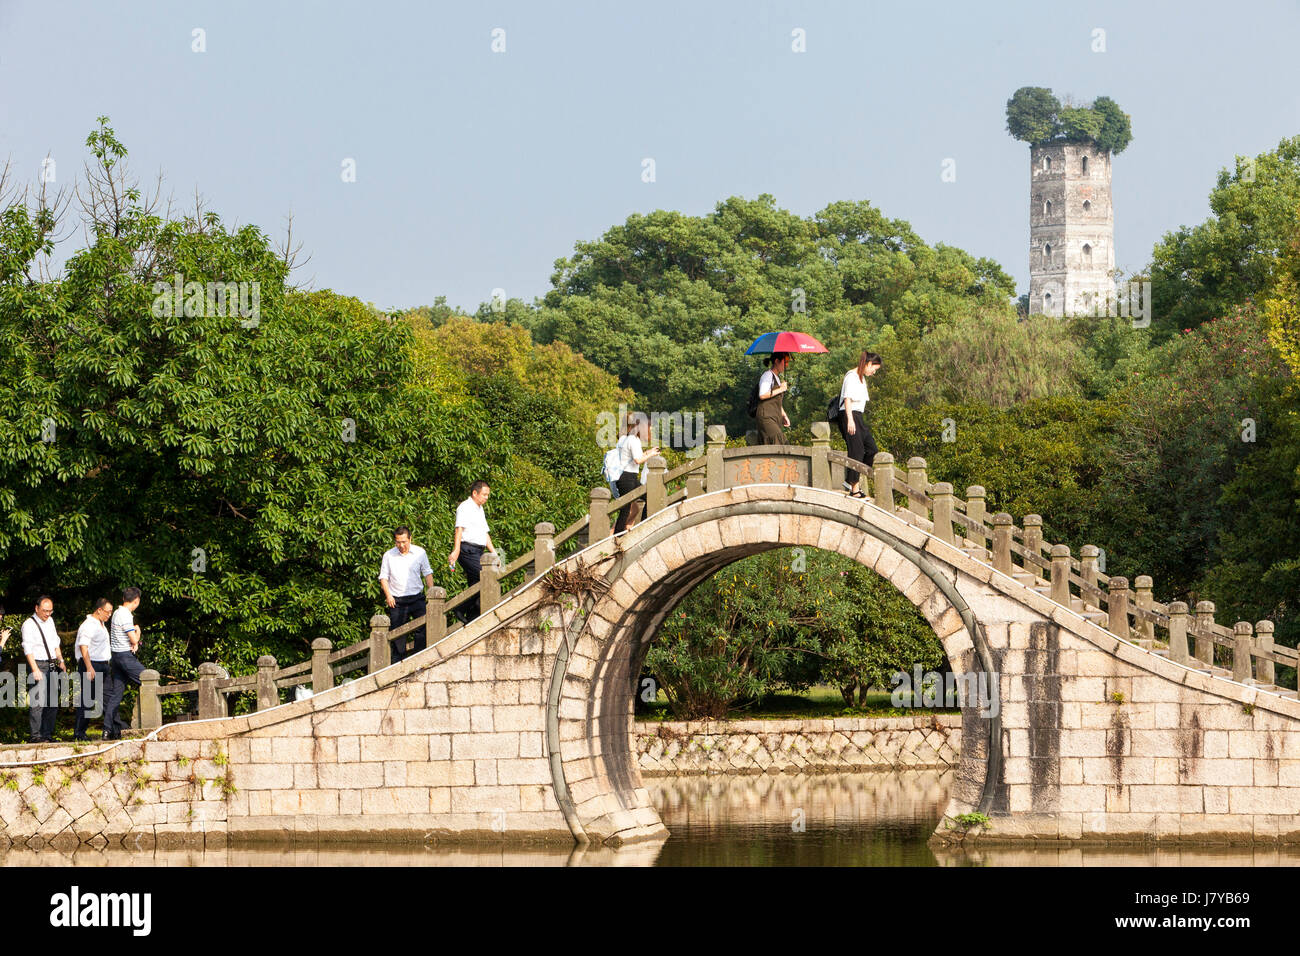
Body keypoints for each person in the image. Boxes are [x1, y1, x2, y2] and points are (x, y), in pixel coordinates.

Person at [378, 526, 435, 662]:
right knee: (397, 633)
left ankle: (419, 657)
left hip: (417, 597)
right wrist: (388, 595)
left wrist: (431, 591)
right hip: (397, 600)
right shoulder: (389, 555)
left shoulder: (420, 552)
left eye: (404, 541)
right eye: (398, 542)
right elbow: (383, 577)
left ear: (410, 539)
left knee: (423, 628)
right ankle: (399, 662)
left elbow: (427, 573)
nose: (401, 545)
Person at [449, 481, 499, 624]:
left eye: (488, 495)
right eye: (484, 494)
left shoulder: (479, 509)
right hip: (467, 550)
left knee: (476, 585)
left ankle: (472, 617)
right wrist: (456, 550)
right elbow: (459, 530)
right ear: (475, 493)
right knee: (486, 578)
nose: (486, 498)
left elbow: (485, 533)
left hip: (479, 551)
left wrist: (494, 553)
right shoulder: (465, 507)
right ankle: (459, 607)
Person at [836, 351, 883, 498]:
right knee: (856, 451)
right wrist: (850, 420)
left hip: (858, 416)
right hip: (849, 415)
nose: (873, 373)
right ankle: (854, 488)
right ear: (869, 364)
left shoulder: (861, 378)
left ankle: (850, 480)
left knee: (871, 450)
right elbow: (847, 400)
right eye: (874, 369)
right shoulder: (851, 376)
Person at [22, 595, 67, 743]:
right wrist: (34, 669)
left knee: (52, 701)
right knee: (38, 702)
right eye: (45, 611)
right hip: (38, 664)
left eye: (50, 611)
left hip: (52, 663)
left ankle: (47, 734)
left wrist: (61, 660)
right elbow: (28, 649)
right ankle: (36, 735)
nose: (47, 614)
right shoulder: (28, 624)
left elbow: (55, 642)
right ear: (37, 608)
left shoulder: (50, 621)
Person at [103, 587, 145, 740]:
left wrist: (132, 642)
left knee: (116, 695)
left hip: (116, 658)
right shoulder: (126, 615)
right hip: (125, 658)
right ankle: (149, 723)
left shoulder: (116, 613)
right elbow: (134, 639)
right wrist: (137, 632)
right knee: (149, 680)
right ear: (136, 601)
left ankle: (107, 730)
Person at [613, 413, 660, 534]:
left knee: (648, 498)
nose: (650, 430)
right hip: (627, 477)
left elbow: (636, 457)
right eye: (649, 427)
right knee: (626, 509)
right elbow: (638, 460)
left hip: (629, 477)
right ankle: (617, 536)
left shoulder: (628, 438)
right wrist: (651, 454)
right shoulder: (633, 440)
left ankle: (641, 527)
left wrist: (649, 452)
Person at [74, 598, 113, 740]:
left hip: (103, 664)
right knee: (87, 701)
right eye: (108, 612)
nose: (109, 615)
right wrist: (89, 667)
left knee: (109, 697)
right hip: (91, 664)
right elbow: (83, 646)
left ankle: (112, 728)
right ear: (99, 610)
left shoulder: (101, 624)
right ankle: (79, 733)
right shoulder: (88, 625)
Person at [756, 352, 792, 445]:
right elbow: (762, 395)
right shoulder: (768, 375)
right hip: (766, 417)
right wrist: (781, 389)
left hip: (775, 417)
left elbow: (776, 401)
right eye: (785, 361)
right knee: (778, 443)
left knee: (781, 443)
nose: (787, 365)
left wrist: (784, 415)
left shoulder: (777, 378)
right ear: (777, 361)